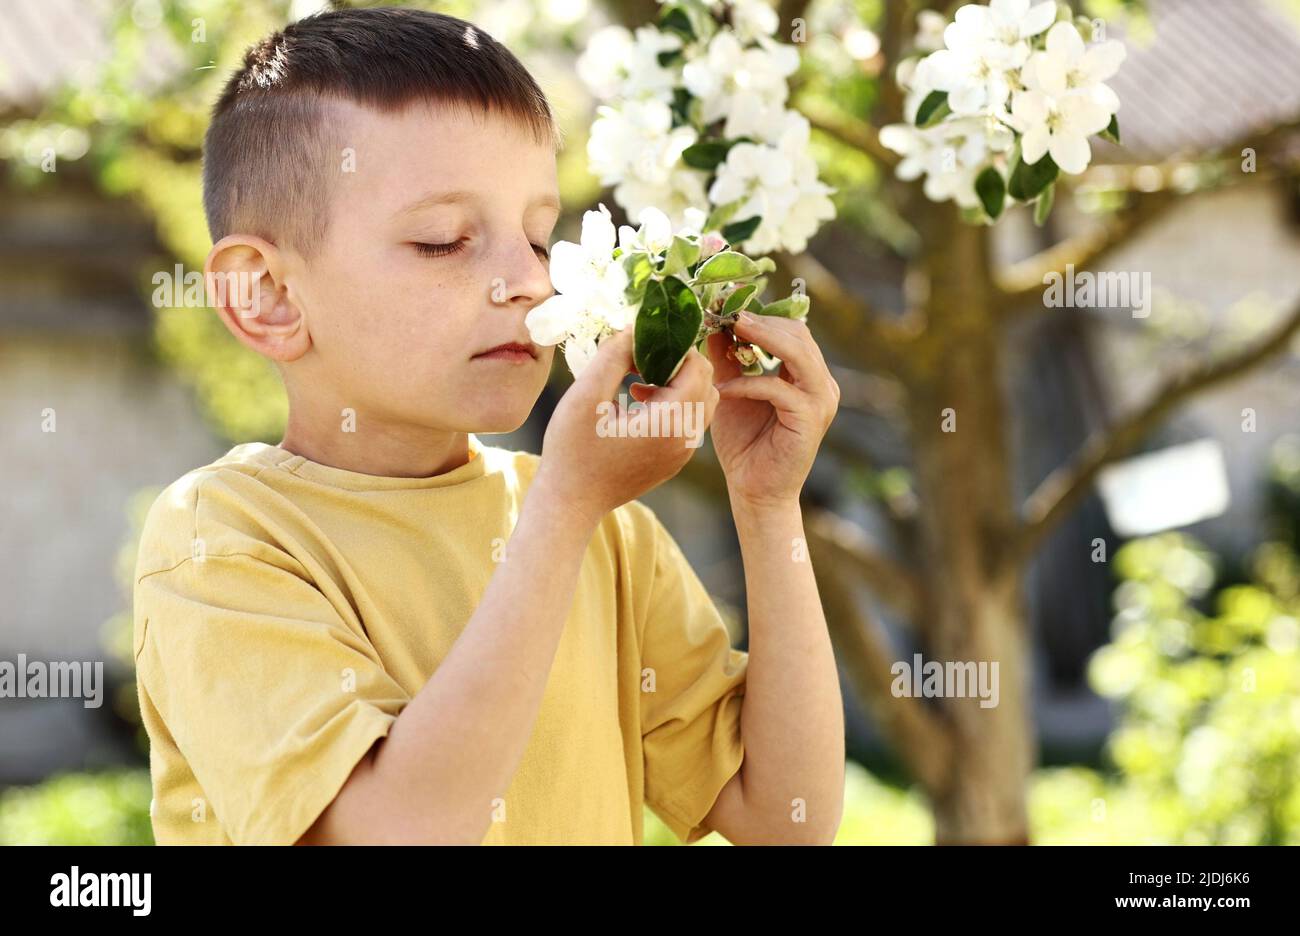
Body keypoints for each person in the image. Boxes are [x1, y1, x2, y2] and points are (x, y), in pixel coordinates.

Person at [132, 6, 844, 845]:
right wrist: (567, 509)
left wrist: (767, 508)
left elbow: (786, 817)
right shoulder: (223, 542)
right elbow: (396, 832)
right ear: (269, 296)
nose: (527, 282)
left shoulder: (609, 537)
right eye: (444, 241)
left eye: (539, 240)